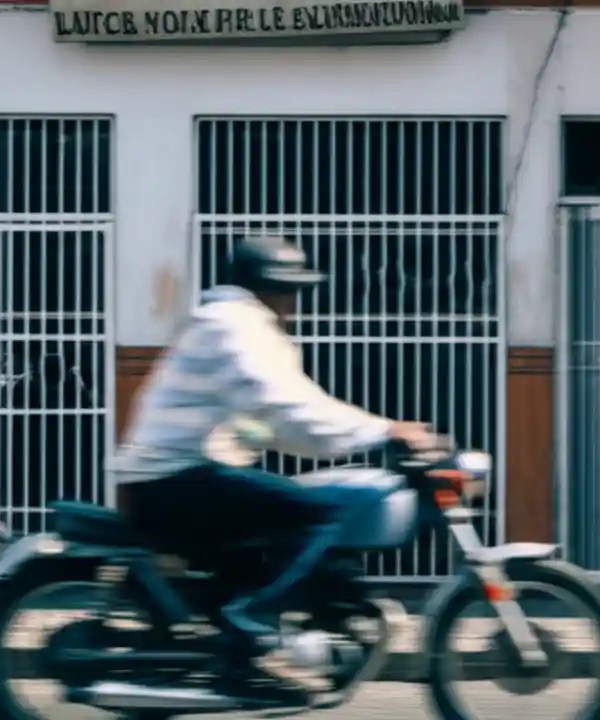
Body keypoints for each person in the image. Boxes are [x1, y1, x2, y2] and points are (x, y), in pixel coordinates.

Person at [109, 234, 437, 656]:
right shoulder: (235, 325)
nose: (293, 304)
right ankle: (252, 620)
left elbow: (273, 421)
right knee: (320, 514)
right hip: (174, 480)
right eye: (289, 291)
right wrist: (384, 431)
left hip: (179, 475)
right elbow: (286, 407)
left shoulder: (230, 322)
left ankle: (242, 644)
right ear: (267, 288)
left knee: (275, 525)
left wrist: (361, 433)